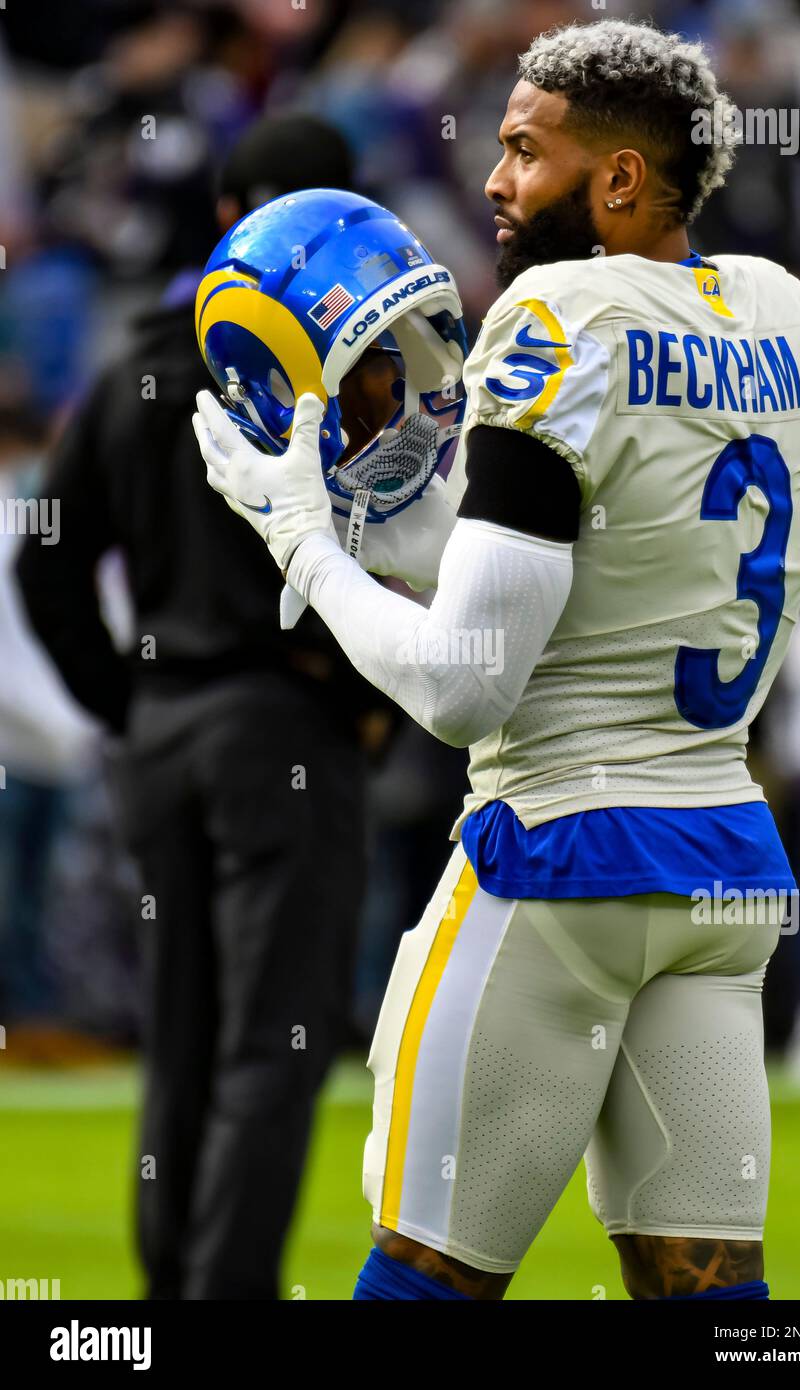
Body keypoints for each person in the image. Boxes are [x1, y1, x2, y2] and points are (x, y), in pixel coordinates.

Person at [195, 19, 800, 1301]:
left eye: (523, 149)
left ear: (617, 181)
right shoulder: (786, 312)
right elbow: (618, 569)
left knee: (427, 1273)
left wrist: (309, 546)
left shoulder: (556, 315)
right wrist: (417, 522)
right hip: (723, 862)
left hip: (558, 855)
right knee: (707, 1289)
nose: (493, 181)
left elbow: (466, 683)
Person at [16, 114, 390, 1300]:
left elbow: (44, 558)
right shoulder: (347, 363)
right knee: (270, 1046)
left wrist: (124, 702)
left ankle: (168, 1296)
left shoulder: (139, 355)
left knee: (175, 1041)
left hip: (165, 729)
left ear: (230, 211)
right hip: (283, 728)